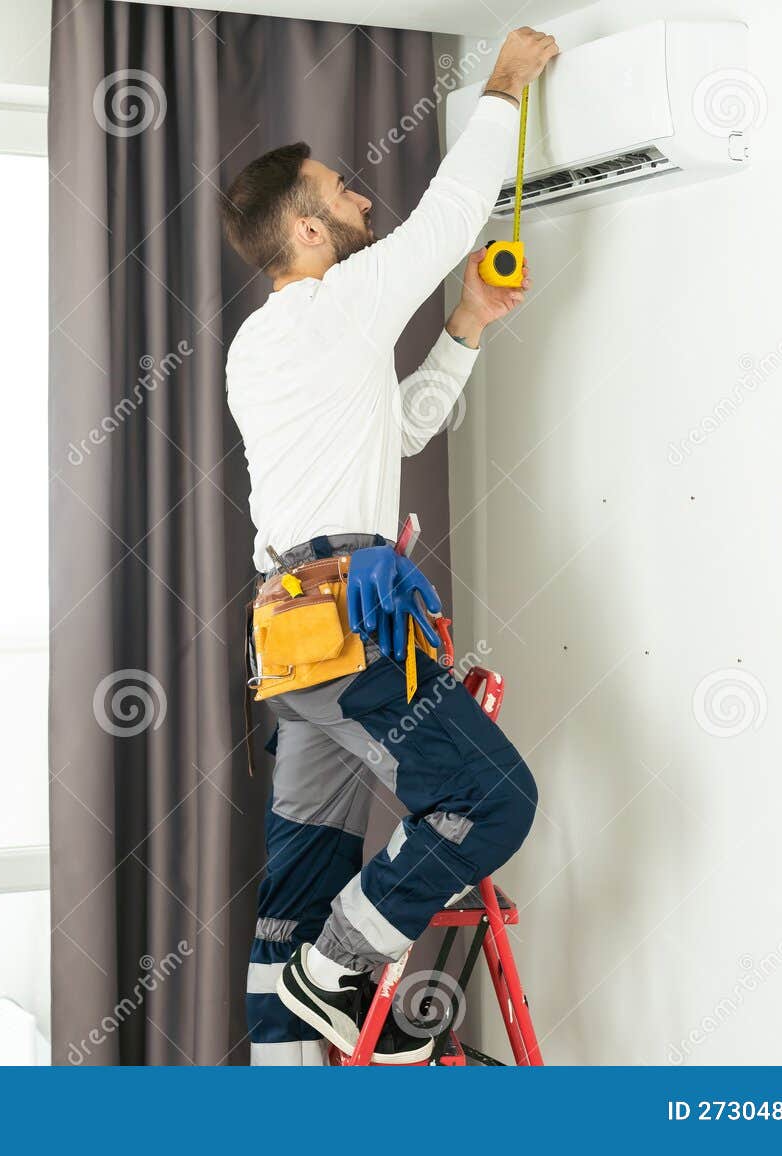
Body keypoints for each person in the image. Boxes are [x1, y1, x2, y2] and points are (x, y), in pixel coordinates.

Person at [220, 27, 560, 1065]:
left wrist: (466, 324)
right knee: (490, 797)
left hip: (293, 644)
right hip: (352, 620)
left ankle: (281, 1075)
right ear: (307, 230)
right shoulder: (335, 307)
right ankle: (339, 967)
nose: (362, 198)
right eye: (342, 190)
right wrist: (503, 85)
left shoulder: (263, 344)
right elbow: (451, 216)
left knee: (301, 867)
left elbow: (400, 429)